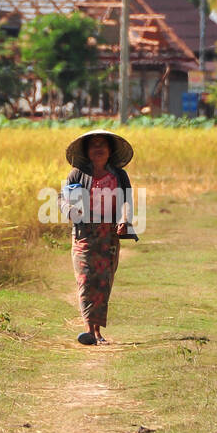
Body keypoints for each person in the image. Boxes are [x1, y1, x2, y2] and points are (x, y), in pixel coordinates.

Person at [61, 129, 137, 345]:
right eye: (93, 144)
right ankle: (88, 330)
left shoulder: (118, 175)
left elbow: (126, 201)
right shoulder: (76, 174)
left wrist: (124, 220)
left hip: (109, 235)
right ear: (87, 150)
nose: (98, 148)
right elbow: (63, 199)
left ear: (110, 150)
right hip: (84, 234)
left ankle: (97, 331)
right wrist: (71, 211)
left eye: (102, 144)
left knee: (103, 282)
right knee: (85, 279)